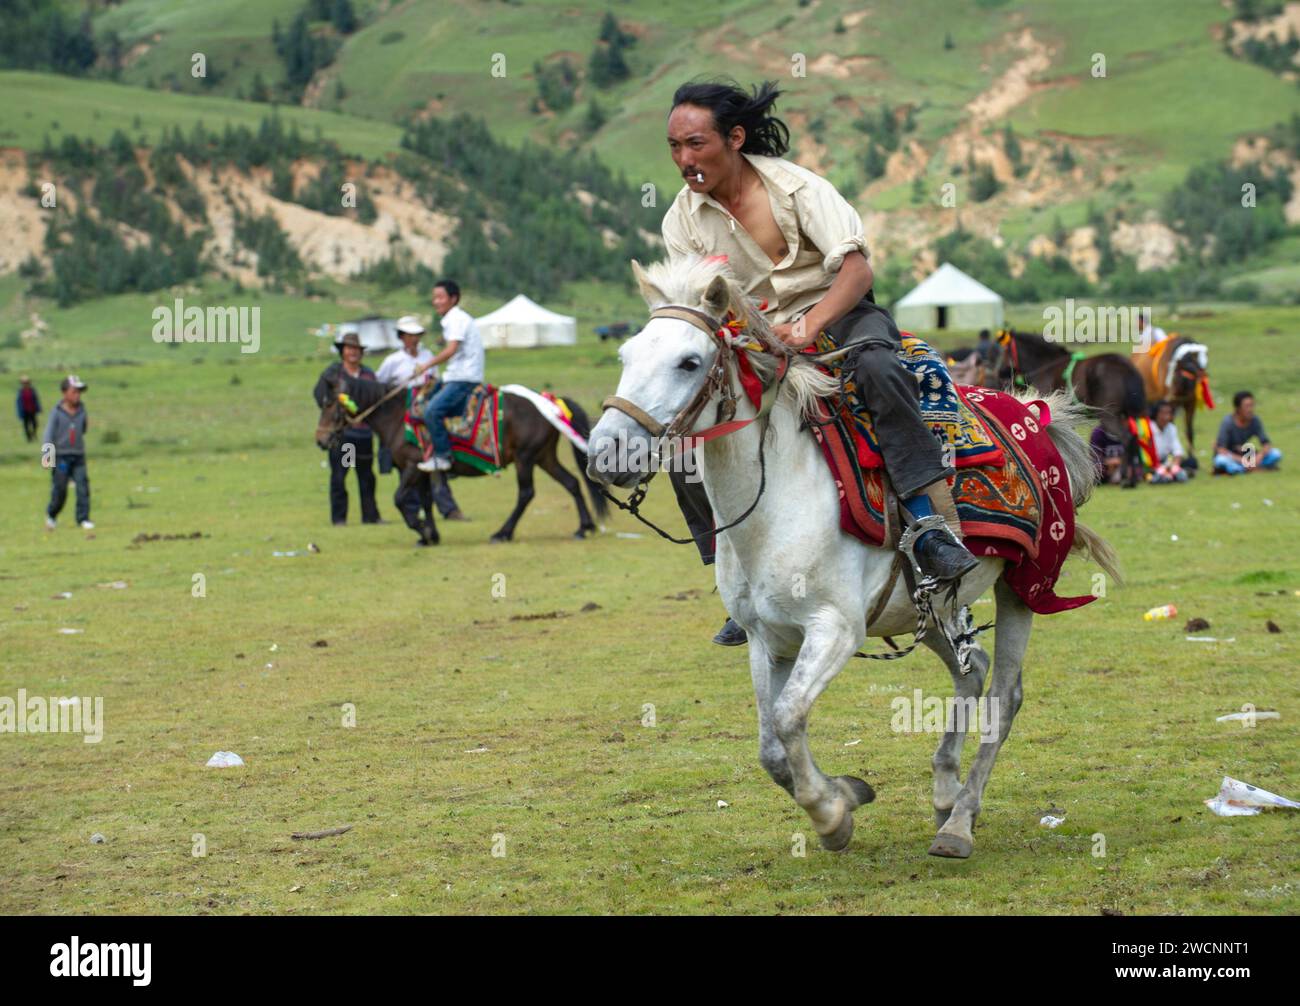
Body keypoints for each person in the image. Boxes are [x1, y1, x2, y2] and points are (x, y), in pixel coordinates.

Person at [660, 79, 976, 645]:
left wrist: (807, 326)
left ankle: (928, 524)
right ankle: (731, 576)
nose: (685, 160)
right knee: (686, 430)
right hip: (753, 337)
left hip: (839, 312)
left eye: (697, 144)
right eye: (675, 147)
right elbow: (698, 304)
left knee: (881, 370)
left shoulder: (800, 189)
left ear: (735, 138)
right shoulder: (682, 219)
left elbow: (857, 272)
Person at [375, 315, 467, 520]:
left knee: (433, 458)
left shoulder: (428, 356)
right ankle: (414, 509)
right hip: (403, 419)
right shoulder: (392, 361)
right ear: (401, 337)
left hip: (427, 416)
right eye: (410, 335)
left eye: (417, 335)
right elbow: (379, 386)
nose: (414, 339)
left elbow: (437, 382)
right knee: (408, 464)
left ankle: (447, 508)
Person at [313, 331, 381, 525]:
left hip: (364, 434)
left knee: (366, 476)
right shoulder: (334, 375)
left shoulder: (368, 375)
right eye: (349, 349)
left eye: (356, 349)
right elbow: (320, 396)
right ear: (342, 351)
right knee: (341, 475)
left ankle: (370, 516)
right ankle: (340, 518)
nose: (353, 353)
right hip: (345, 436)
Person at [417, 279, 485, 473]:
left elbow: (451, 350)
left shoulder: (455, 319)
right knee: (422, 402)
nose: (436, 302)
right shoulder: (453, 319)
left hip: (463, 378)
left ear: (453, 299)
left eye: (440, 297)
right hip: (456, 375)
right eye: (434, 298)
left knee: (431, 411)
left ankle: (443, 456)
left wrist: (426, 366)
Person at [43, 375, 93, 530]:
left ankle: (83, 519)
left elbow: (83, 429)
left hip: (78, 455)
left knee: (83, 486)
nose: (77, 395)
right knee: (60, 489)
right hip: (61, 457)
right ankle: (52, 514)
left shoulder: (82, 410)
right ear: (64, 393)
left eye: (79, 392)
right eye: (74, 391)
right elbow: (48, 435)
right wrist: (47, 459)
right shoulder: (56, 412)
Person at [1215, 390, 1282, 475]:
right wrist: (1243, 461)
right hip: (1233, 457)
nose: (1250, 409)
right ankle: (1244, 469)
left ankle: (1242, 470)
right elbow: (1221, 449)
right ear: (1238, 409)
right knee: (1220, 460)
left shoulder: (1255, 420)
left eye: (1252, 405)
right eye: (1247, 406)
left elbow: (1266, 444)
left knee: (1276, 453)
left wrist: (1258, 457)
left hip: (1248, 456)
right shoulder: (1228, 422)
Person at [1149, 400, 1188, 483]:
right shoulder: (1147, 429)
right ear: (1156, 414)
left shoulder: (1171, 428)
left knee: (1190, 463)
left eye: (1169, 413)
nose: (1166, 417)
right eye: (1163, 413)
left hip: (1166, 462)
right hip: (1150, 464)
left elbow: (1177, 451)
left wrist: (1174, 467)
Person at [16, 375, 41, 441]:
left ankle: (34, 434)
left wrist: (38, 408)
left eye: (26, 382)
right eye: (24, 383)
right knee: (26, 425)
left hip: (32, 410)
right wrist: (19, 412)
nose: (25, 384)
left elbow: (36, 399)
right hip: (24, 411)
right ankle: (29, 438)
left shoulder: (32, 390)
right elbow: (18, 403)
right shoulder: (20, 392)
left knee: (35, 424)